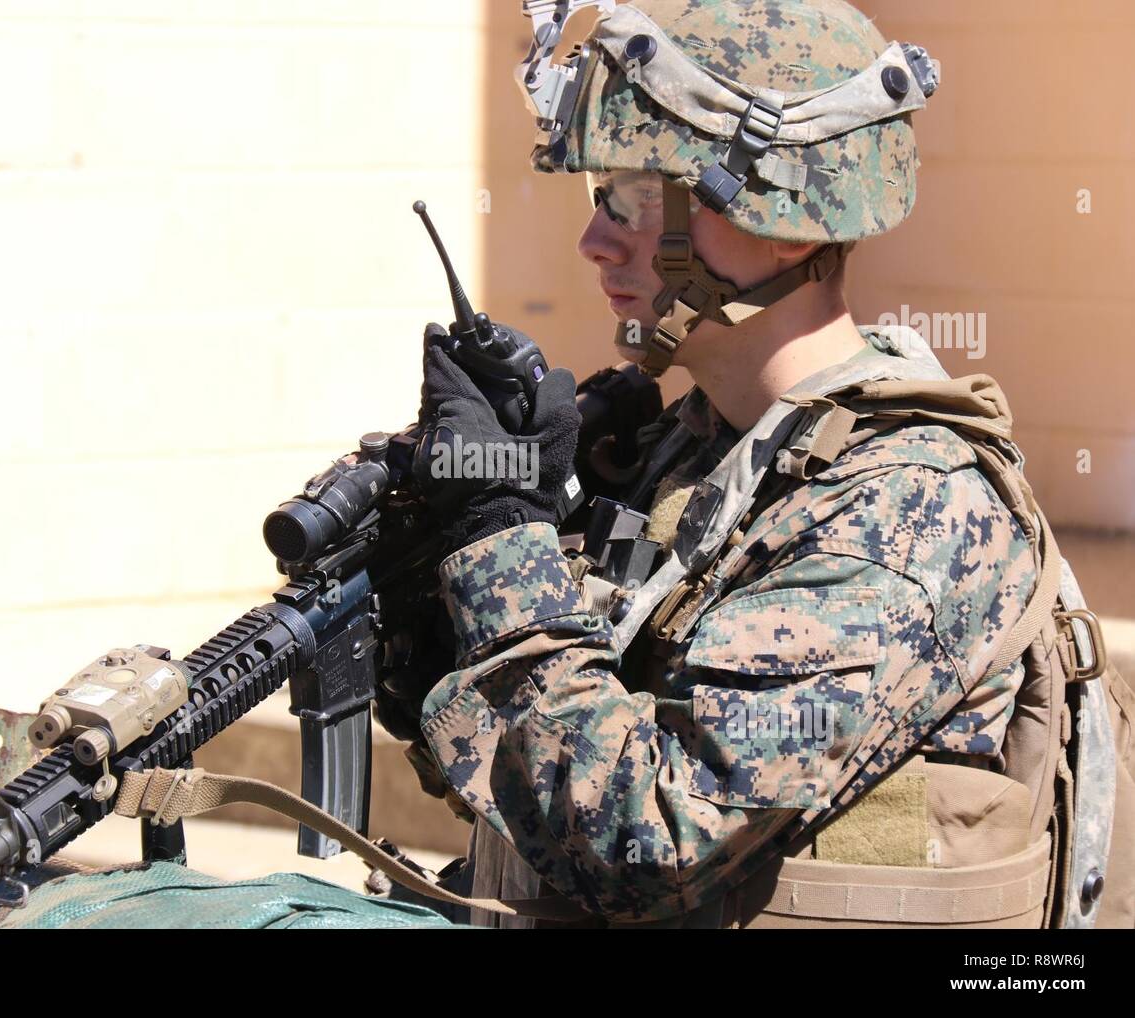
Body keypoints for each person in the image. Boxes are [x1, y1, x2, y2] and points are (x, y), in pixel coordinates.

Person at [395, 0, 1129, 928]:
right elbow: (533, 790)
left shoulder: (909, 515)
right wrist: (423, 588)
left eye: (636, 196)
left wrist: (500, 543)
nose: (595, 241)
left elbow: (647, 839)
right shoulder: (695, 452)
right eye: (600, 197)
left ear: (782, 222)